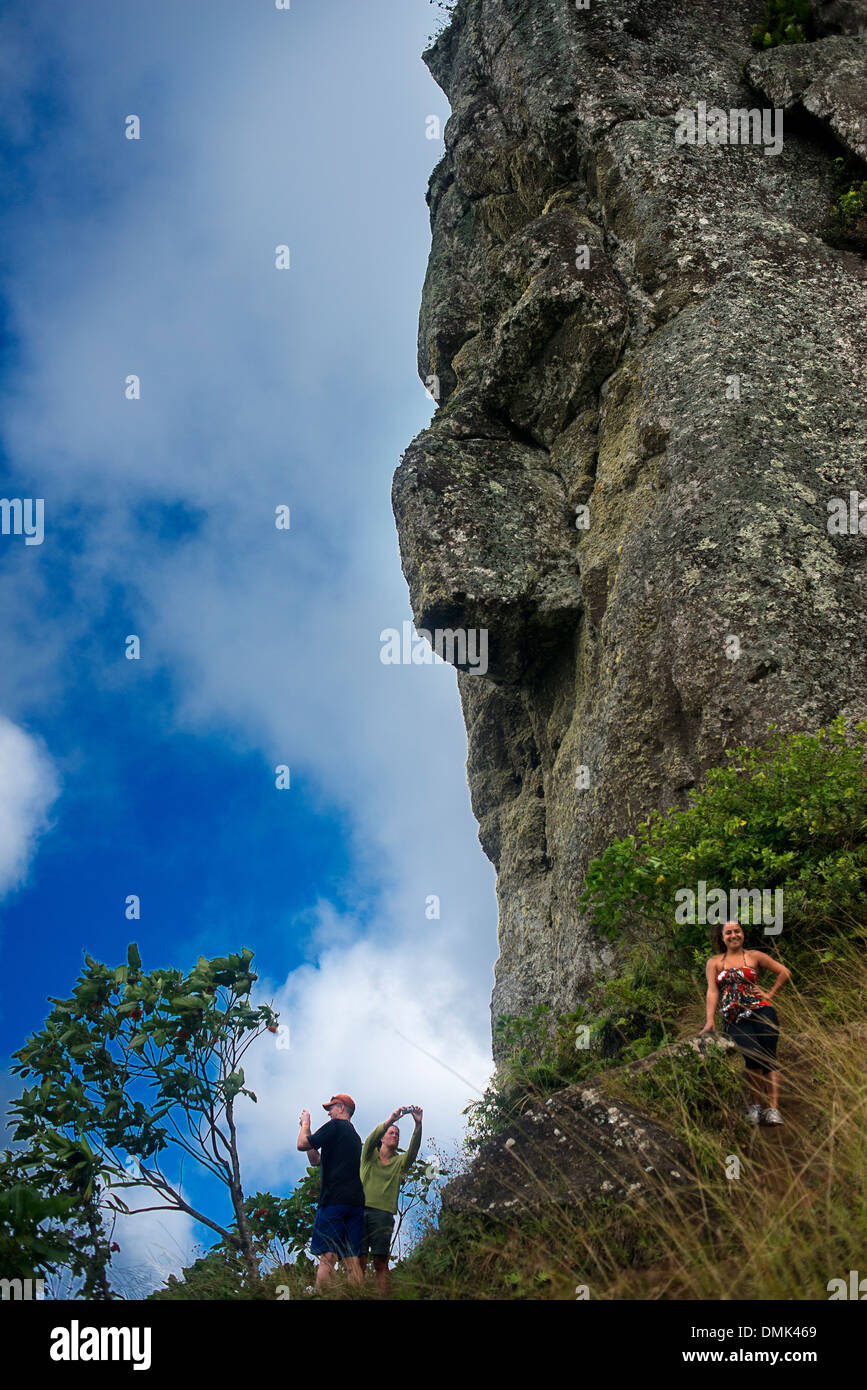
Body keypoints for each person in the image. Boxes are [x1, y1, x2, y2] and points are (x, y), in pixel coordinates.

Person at [701, 919, 791, 1124]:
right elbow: (712, 991)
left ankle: (773, 1110)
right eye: (729, 933)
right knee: (752, 1055)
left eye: (737, 931)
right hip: (734, 1018)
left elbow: (784, 972)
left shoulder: (754, 956)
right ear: (722, 937)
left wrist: (770, 994)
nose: (734, 935)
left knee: (769, 1057)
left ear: (742, 934)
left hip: (762, 1011)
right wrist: (709, 1020)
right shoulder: (714, 962)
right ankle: (755, 1107)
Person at [297, 1092, 364, 1287]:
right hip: (356, 1204)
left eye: (331, 1108)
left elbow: (301, 1144)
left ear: (342, 1108)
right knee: (352, 1260)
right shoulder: (353, 1136)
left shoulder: (335, 1126)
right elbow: (316, 1160)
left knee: (328, 1256)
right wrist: (309, 1135)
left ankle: (320, 1295)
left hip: (334, 1201)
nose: (328, 1113)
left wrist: (305, 1125)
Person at [360, 1104, 423, 1293]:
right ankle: (356, 1294)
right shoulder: (368, 1156)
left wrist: (418, 1125)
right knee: (359, 1261)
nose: (395, 1135)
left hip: (384, 1214)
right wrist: (391, 1119)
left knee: (380, 1262)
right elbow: (370, 1139)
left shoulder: (399, 1162)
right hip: (360, 1210)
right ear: (382, 1138)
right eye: (391, 1133)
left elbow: (412, 1152)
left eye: (397, 1134)